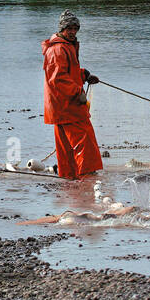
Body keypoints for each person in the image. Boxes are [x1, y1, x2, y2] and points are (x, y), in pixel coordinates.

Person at [42, 11, 103, 180]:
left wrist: (84, 75)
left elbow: (67, 73)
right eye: (69, 28)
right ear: (62, 28)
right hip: (67, 106)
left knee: (66, 147)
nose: (73, 31)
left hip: (59, 107)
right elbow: (58, 79)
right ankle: (88, 177)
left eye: (75, 28)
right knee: (85, 141)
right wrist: (78, 92)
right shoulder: (58, 49)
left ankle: (70, 178)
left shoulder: (66, 46)